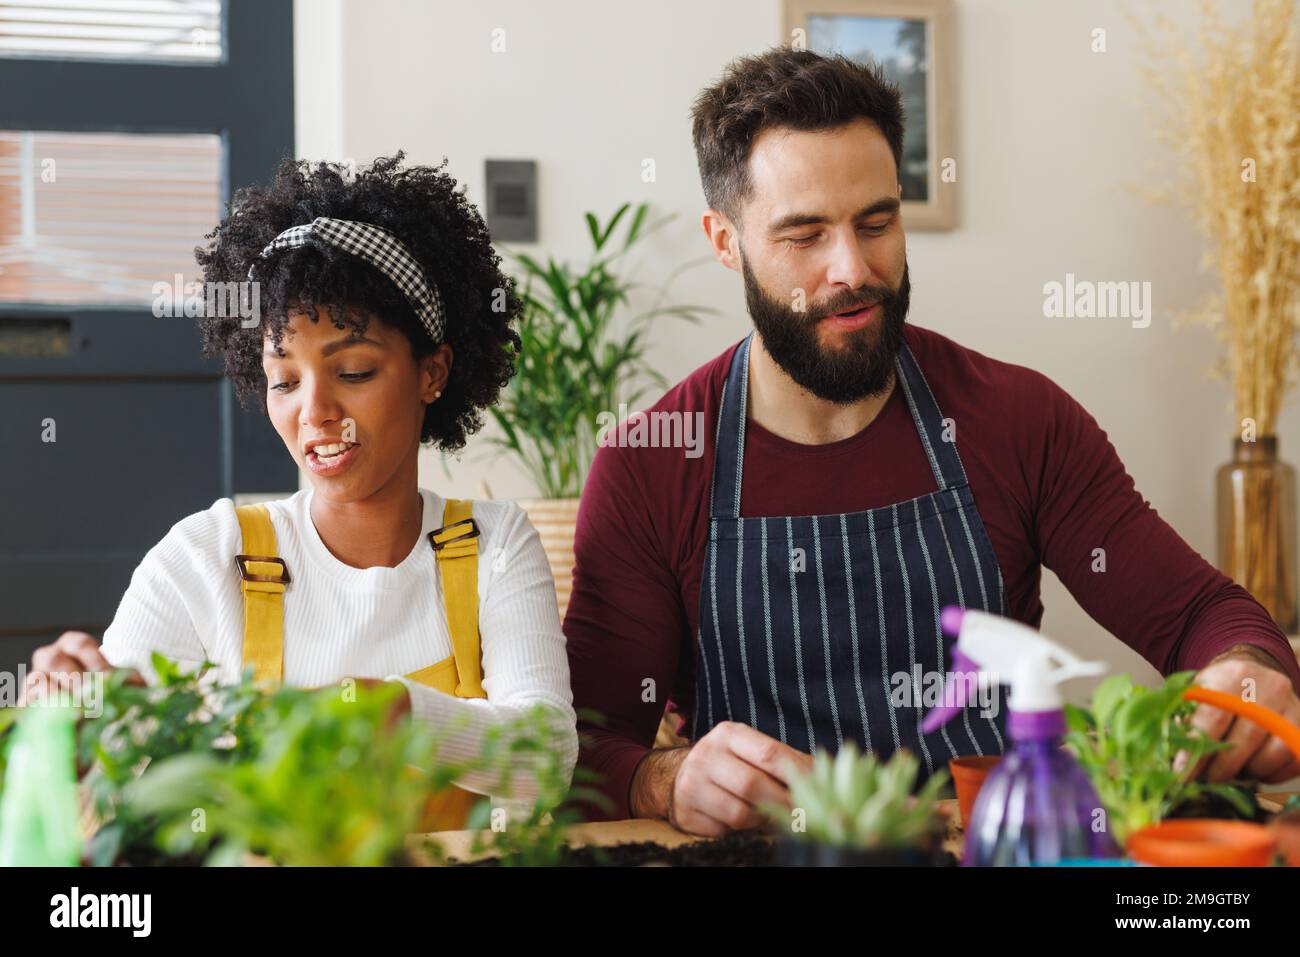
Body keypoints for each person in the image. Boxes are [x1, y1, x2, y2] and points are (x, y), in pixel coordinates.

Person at [564, 48, 1300, 836]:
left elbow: (1203, 614)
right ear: (724, 240)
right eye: (804, 235)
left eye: (876, 222)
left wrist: (1244, 676)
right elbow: (576, 748)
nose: (853, 268)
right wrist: (662, 777)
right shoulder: (652, 466)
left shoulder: (1019, 422)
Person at [23, 153, 577, 815]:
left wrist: (396, 712)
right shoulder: (207, 557)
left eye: (355, 371)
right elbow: (111, 752)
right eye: (284, 380)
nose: (313, 411)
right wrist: (72, 711)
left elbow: (546, 759)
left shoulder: (494, 544)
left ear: (432, 372)